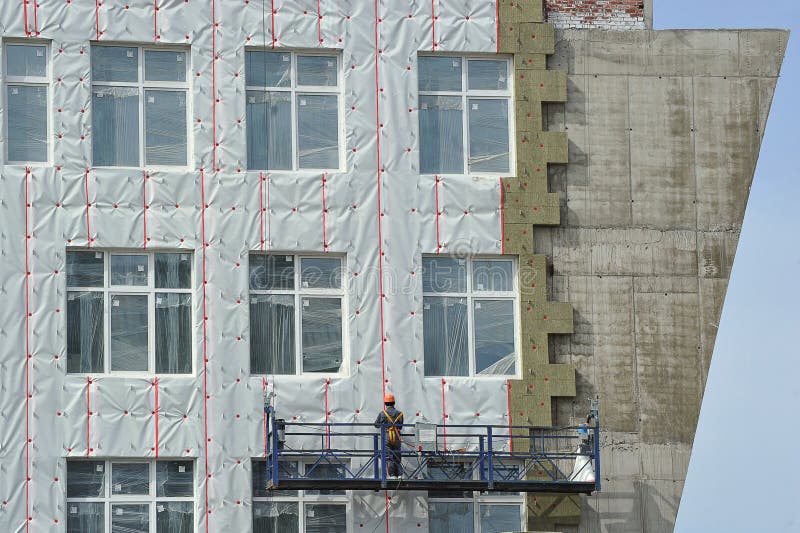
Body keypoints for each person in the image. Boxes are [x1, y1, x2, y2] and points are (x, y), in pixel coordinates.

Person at [374, 393, 403, 478]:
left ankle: (392, 475)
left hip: (387, 436)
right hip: (397, 436)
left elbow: (376, 425)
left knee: (388, 455)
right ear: (394, 403)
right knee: (397, 454)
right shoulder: (400, 413)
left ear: (385, 403)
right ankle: (400, 474)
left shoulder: (383, 413)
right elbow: (400, 426)